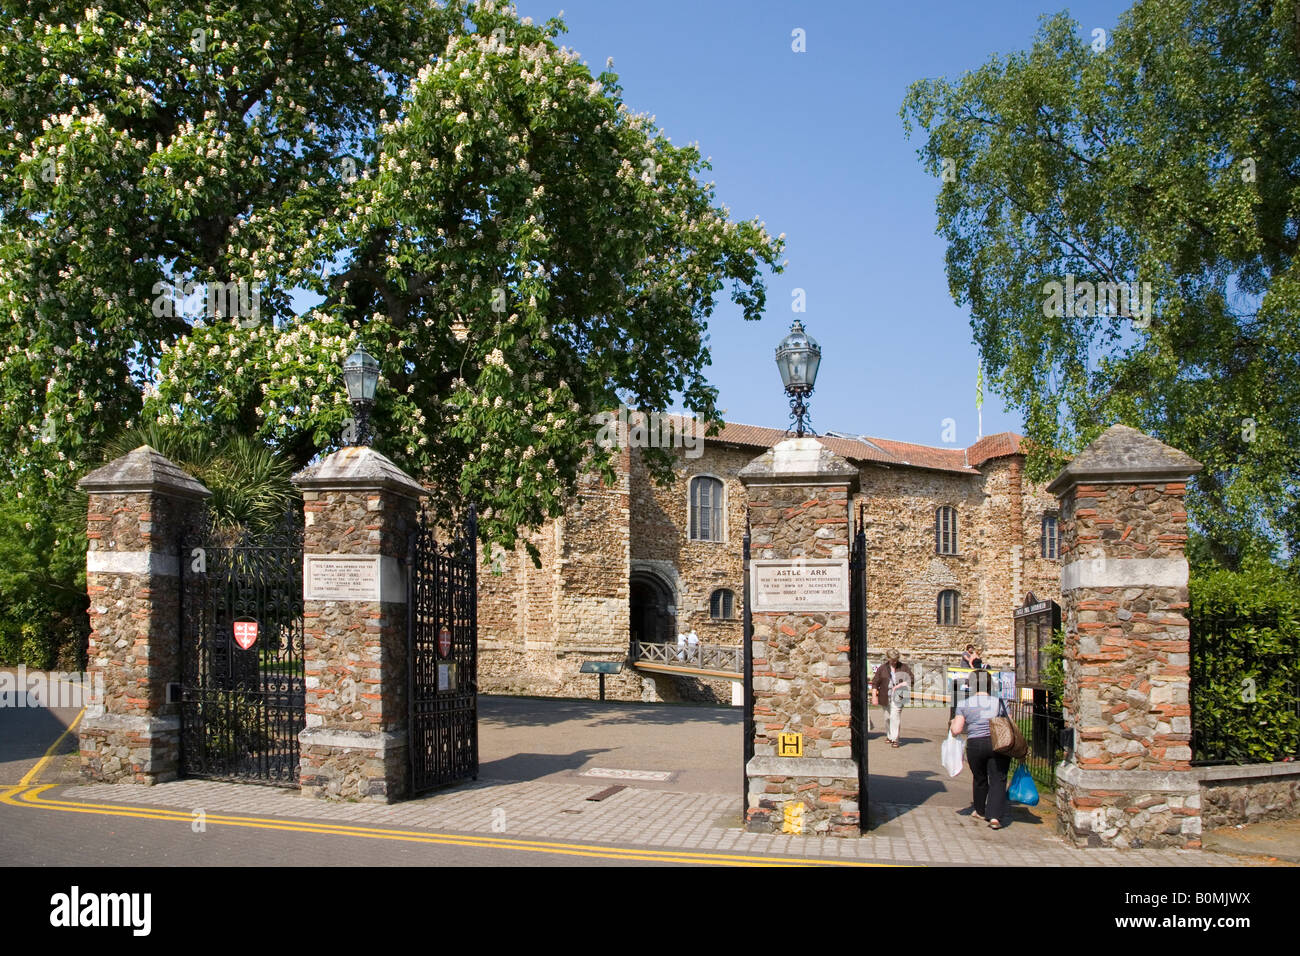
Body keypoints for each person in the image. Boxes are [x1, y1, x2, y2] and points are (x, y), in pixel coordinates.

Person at [949, 668, 1011, 829]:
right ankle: (995, 817)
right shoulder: (999, 702)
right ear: (990, 685)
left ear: (971, 685)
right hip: (997, 743)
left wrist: (952, 724)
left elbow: (956, 730)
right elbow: (1011, 723)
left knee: (980, 778)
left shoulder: (964, 704)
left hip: (975, 744)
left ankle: (980, 810)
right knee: (998, 778)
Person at [871, 649, 913, 748]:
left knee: (895, 715)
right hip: (885, 695)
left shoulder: (904, 667)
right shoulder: (882, 668)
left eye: (896, 659)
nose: (894, 662)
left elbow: (911, 679)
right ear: (888, 658)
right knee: (887, 717)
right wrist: (874, 696)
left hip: (899, 694)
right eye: (892, 660)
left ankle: (895, 739)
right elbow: (875, 682)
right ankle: (889, 735)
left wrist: (900, 685)